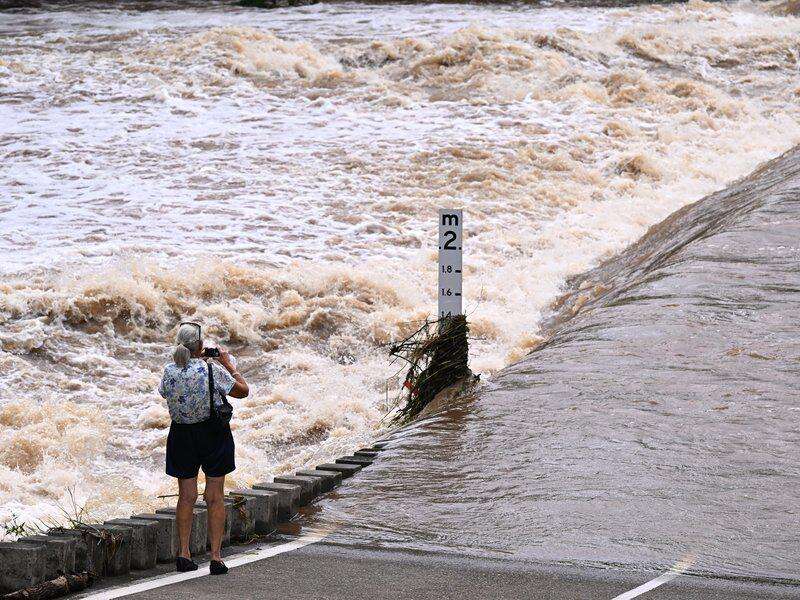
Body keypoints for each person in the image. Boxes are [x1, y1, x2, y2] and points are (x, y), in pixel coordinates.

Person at [158, 322, 249, 575]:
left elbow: (165, 394)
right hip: (212, 434)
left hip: (181, 436)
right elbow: (243, 392)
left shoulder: (168, 371)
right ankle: (216, 558)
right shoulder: (211, 371)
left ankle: (184, 555)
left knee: (186, 496)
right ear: (200, 346)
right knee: (214, 496)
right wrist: (228, 365)